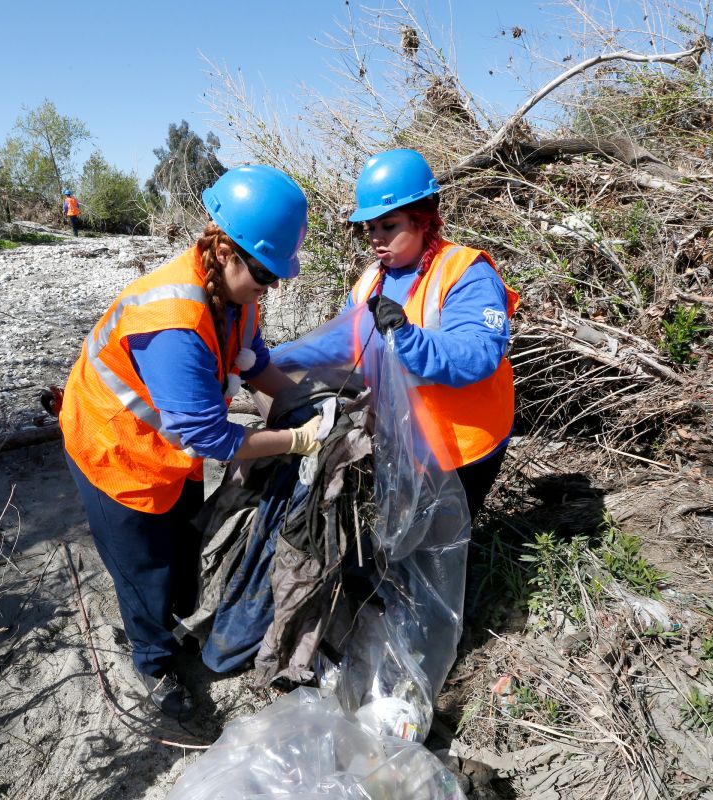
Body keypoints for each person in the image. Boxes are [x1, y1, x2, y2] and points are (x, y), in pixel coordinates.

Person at [57, 165, 322, 719]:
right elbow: (211, 437)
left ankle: (176, 620)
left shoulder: (236, 295)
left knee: (182, 543)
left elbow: (257, 367)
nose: (270, 287)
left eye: (276, 277)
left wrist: (309, 406)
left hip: (164, 451)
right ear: (226, 251)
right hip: (114, 451)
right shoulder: (175, 323)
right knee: (144, 568)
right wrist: (294, 440)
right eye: (264, 275)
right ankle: (154, 666)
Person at [307, 148, 518, 514]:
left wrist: (407, 335)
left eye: (389, 225)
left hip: (464, 445)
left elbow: (478, 354)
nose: (376, 238)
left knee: (445, 547)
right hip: (404, 442)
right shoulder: (369, 283)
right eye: (370, 228)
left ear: (423, 219)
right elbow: (343, 349)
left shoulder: (465, 271)